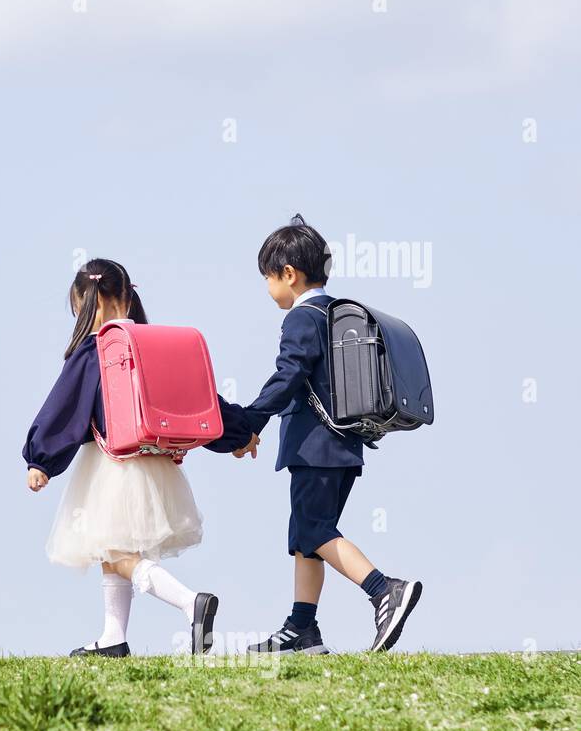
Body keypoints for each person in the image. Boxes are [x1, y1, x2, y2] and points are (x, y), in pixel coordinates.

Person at [24, 258, 256, 657]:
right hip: (157, 465)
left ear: (87, 303)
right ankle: (113, 636)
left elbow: (65, 407)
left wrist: (41, 459)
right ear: (128, 297)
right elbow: (199, 400)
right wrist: (239, 433)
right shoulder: (153, 345)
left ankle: (190, 602)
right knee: (111, 550)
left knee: (115, 550)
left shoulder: (95, 351)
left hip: (113, 466)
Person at [234, 215, 422, 654]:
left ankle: (384, 590)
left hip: (314, 446)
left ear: (289, 275)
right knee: (307, 535)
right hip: (344, 446)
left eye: (267, 277)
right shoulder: (335, 313)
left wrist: (250, 421)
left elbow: (288, 377)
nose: (266, 287)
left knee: (315, 530)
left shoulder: (302, 319)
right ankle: (302, 628)